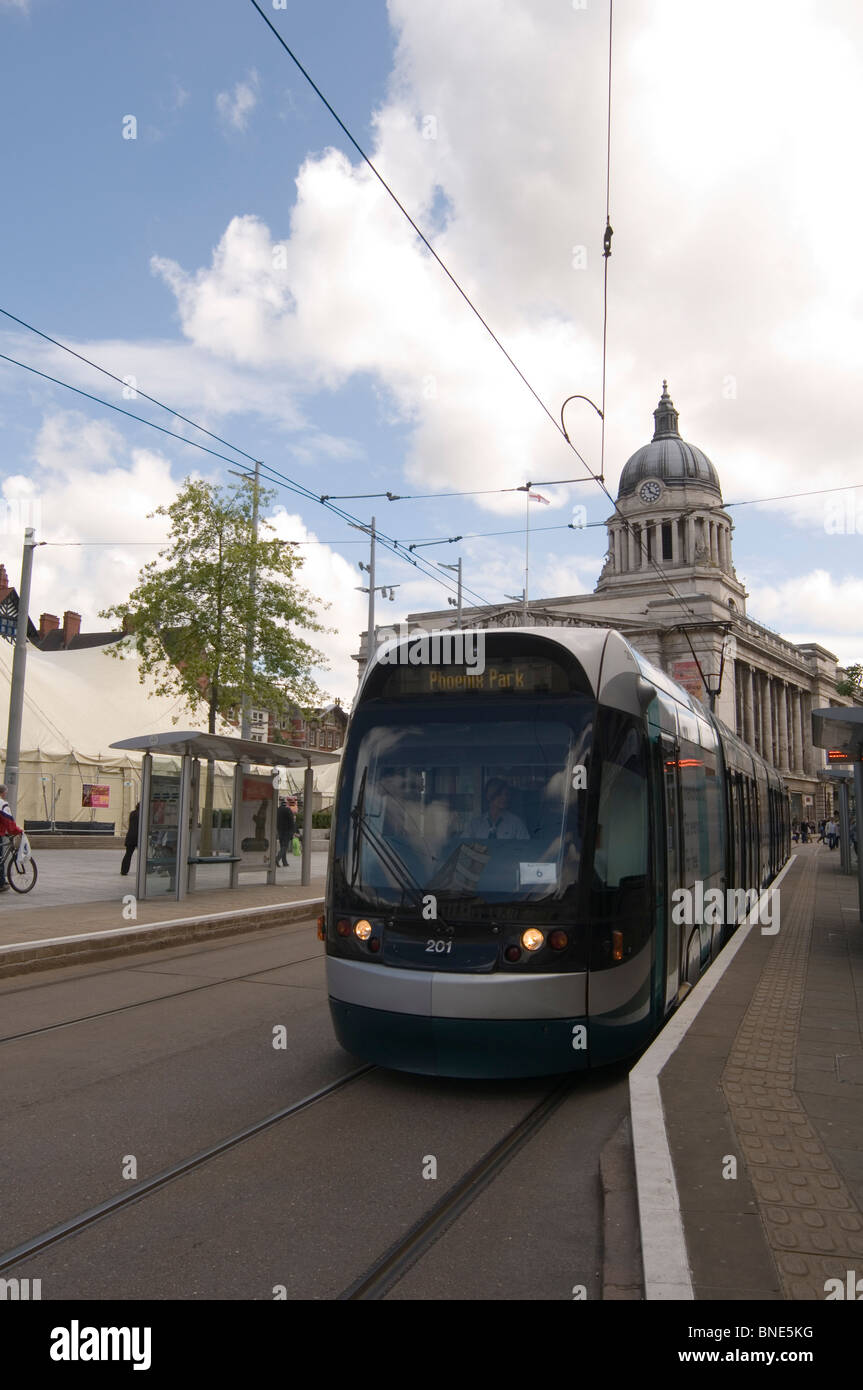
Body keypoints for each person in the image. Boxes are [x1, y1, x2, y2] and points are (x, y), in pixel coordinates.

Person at [0, 783, 23, 893]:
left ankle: (2, 881)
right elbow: (9, 822)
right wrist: (17, 831)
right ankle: (1, 884)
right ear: (3, 793)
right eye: (6, 792)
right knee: (0, 859)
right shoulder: (2, 804)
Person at [121, 803, 140, 876]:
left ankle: (124, 870)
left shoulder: (132, 813)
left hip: (130, 836)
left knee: (128, 854)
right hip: (139, 836)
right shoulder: (142, 814)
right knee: (143, 855)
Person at [276, 797, 296, 867]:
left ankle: (284, 862)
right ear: (286, 803)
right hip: (287, 831)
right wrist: (293, 831)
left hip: (280, 831)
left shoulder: (278, 810)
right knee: (285, 847)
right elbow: (292, 822)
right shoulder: (288, 810)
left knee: (282, 846)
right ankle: (277, 858)